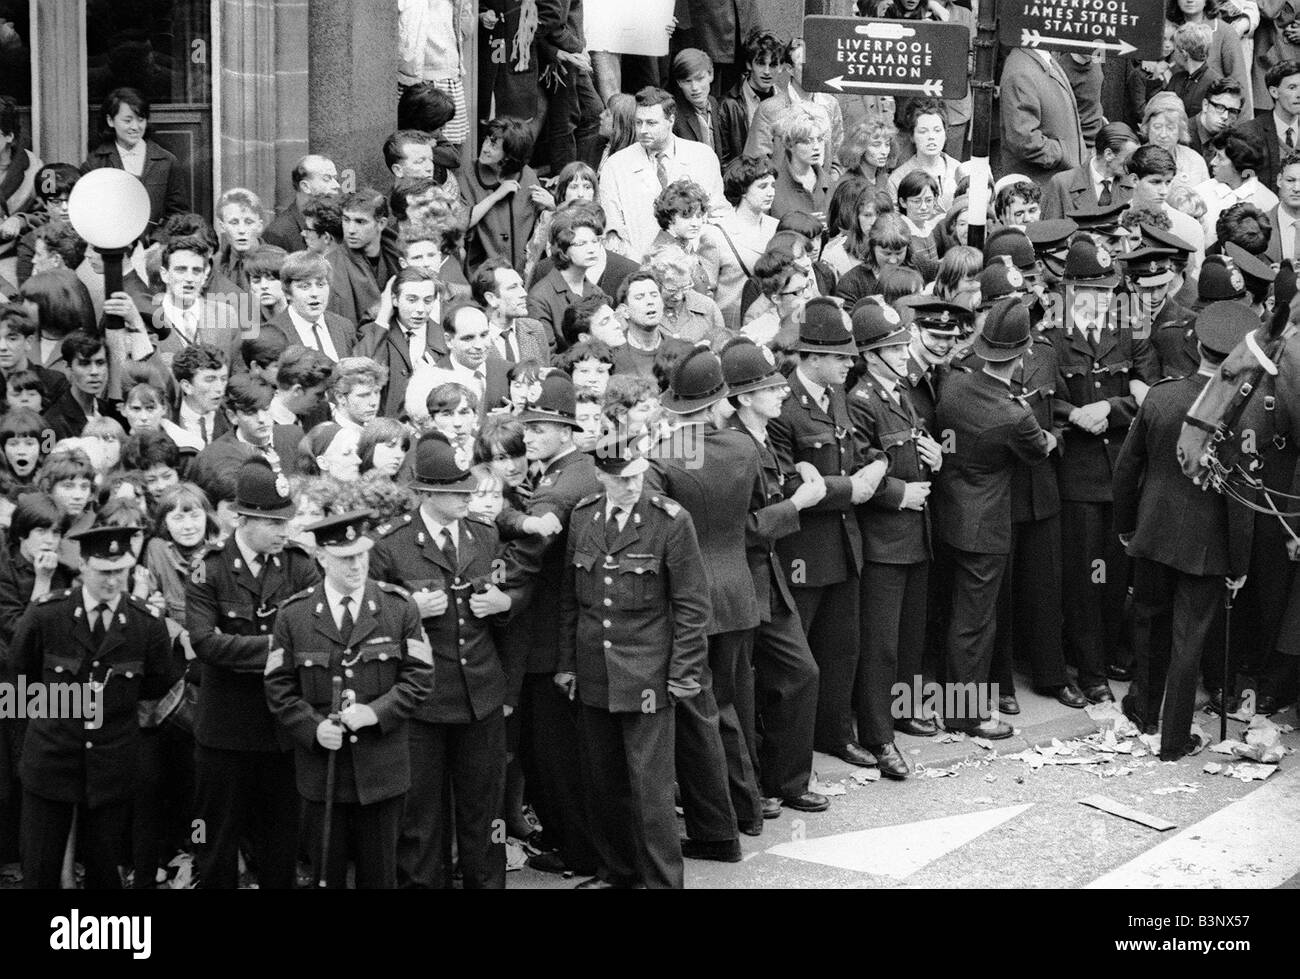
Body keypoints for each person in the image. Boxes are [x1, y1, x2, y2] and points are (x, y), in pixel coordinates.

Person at [556, 433, 711, 889]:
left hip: (648, 675)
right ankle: (616, 872)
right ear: (601, 475)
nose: (631, 485)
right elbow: (571, 600)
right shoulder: (583, 517)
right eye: (621, 478)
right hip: (593, 671)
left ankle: (663, 881)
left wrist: (683, 674)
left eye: (637, 476)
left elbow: (691, 605)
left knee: (651, 790)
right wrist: (567, 664)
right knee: (603, 782)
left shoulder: (670, 520)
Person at [370, 437, 514, 889]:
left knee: (485, 812)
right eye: (456, 491)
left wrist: (502, 602)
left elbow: (505, 605)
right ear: (427, 493)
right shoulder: (391, 547)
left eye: (468, 488)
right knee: (422, 819)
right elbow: (367, 624)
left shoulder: (484, 534)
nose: (466, 497)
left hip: (480, 697)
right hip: (424, 701)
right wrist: (409, 610)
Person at [264, 508, 434, 889]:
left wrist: (375, 713)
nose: (356, 565)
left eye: (362, 554)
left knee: (380, 877)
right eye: (344, 558)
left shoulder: (398, 606)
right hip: (322, 772)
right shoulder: (294, 615)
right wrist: (313, 727)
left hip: (382, 770)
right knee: (326, 874)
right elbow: (278, 687)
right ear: (321, 558)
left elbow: (420, 679)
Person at [1114, 301, 1254, 759]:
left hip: (1153, 531)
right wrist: (1239, 561)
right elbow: (1242, 500)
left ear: (1195, 345)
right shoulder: (1240, 414)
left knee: (1150, 623)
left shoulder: (1161, 395)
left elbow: (1126, 467)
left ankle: (1144, 712)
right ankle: (1174, 738)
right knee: (1188, 640)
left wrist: (1125, 525)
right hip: (1206, 545)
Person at [7, 523, 172, 888]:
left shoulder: (147, 624)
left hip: (111, 764)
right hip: (51, 757)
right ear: (82, 567)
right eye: (103, 572)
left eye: (121, 571)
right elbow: (19, 677)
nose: (113, 581)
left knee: (104, 870)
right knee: (40, 869)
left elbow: (158, 682)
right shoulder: (48, 615)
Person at [646, 349, 762, 850]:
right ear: (720, 400)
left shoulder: (664, 457)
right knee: (729, 708)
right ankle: (747, 810)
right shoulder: (743, 446)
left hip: (691, 602)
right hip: (738, 591)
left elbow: (656, 536)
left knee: (697, 718)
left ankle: (717, 832)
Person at [185, 458, 319, 888]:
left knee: (280, 843)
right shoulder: (209, 568)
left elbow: (316, 633)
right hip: (226, 732)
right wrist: (281, 648)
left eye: (287, 521)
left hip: (282, 731)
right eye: (273, 522)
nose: (284, 531)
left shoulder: (298, 564)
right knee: (215, 842)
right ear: (244, 518)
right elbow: (206, 643)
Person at [766, 298, 886, 767]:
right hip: (802, 554)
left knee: (842, 652)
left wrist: (874, 469)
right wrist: (848, 488)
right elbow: (786, 484)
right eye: (840, 356)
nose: (849, 363)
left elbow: (859, 448)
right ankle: (789, 754)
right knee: (797, 666)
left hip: (843, 547)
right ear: (811, 356)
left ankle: (834, 734)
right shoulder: (781, 406)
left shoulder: (837, 394)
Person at [932, 297, 1053, 738]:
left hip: (949, 512)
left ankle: (951, 700)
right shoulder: (1015, 414)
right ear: (1021, 355)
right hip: (985, 526)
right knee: (975, 623)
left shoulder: (954, 384)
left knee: (958, 616)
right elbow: (1038, 452)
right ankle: (965, 714)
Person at [497, 373, 601, 876]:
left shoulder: (563, 483)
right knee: (551, 752)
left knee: (553, 755)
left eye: (543, 426)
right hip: (556, 632)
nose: (531, 435)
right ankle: (569, 838)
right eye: (529, 425)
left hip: (546, 639)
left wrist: (495, 594)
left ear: (567, 431)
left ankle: (577, 846)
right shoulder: (570, 471)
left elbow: (528, 555)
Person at [1049, 236, 1158, 699]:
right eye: (1088, 288)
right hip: (1076, 472)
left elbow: (1152, 393)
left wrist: (1109, 409)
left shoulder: (1128, 330)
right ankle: (1090, 671)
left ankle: (1110, 651)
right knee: (1082, 576)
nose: (1099, 297)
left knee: (1115, 575)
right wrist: (1072, 414)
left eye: (1106, 288)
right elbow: (1038, 397)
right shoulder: (1051, 336)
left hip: (1119, 471)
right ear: (1069, 289)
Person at [598, 87, 727, 261]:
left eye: (651, 123)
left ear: (671, 120)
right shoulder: (615, 165)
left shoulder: (703, 157)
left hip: (697, 267)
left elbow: (718, 214)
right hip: (640, 270)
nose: (643, 130)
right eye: (638, 122)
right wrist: (639, 267)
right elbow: (612, 229)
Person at [527, 204, 637, 350]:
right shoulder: (540, 298)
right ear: (563, 250)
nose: (592, 249)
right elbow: (543, 357)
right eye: (581, 243)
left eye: (594, 241)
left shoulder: (595, 292)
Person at [81, 88, 186, 237]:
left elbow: (178, 213)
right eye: (127, 120)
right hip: (112, 250)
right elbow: (88, 215)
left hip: (155, 251)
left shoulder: (167, 161)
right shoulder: (95, 164)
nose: (135, 127)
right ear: (110, 121)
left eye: (141, 119)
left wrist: (157, 243)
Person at [460, 117, 547, 274]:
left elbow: (541, 223)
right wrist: (496, 196)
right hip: (483, 273)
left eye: (493, 145)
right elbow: (461, 221)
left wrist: (552, 205)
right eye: (486, 140)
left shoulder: (527, 176)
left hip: (522, 272)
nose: (485, 148)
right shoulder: (468, 173)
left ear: (509, 155)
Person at [405, 300, 510, 427]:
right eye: (468, 338)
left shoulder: (509, 372)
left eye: (484, 335)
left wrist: (516, 415)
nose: (479, 345)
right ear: (448, 340)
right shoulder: (430, 381)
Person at [998, 44, 1088, 187]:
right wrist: (1065, 153)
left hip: (1058, 182)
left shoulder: (1041, 58)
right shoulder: (1021, 70)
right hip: (1043, 189)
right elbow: (1024, 140)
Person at [261, 251, 357, 363]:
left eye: (321, 285)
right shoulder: (271, 334)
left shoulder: (344, 326)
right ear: (287, 292)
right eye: (305, 286)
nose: (314, 293)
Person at [1041, 123, 1139, 220]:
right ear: (1108, 154)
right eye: (1128, 158)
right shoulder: (1062, 184)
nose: (1133, 164)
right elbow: (1049, 232)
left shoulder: (1133, 185)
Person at [609, 270, 695, 379]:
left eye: (654, 295)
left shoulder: (680, 351)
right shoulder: (612, 355)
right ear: (625, 311)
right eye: (640, 297)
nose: (650, 301)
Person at [42, 331, 126, 442]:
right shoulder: (52, 422)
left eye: (100, 363)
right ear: (68, 368)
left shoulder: (108, 411)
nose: (94, 372)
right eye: (84, 363)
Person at [1196, 130, 1278, 243]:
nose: (1213, 162)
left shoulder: (1268, 200)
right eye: (1214, 155)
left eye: (1220, 157)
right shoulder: (1200, 193)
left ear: (1238, 163)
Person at [671, 48, 743, 169]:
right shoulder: (674, 114)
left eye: (700, 79)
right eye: (687, 81)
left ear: (711, 75)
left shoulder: (714, 104)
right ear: (679, 83)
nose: (694, 87)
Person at [472, 260, 551, 366]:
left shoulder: (535, 329)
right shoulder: (472, 339)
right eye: (513, 287)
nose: (524, 293)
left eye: (521, 286)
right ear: (491, 299)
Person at [769, 104, 837, 224]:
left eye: (819, 139)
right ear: (790, 144)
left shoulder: (827, 182)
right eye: (807, 141)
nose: (816, 147)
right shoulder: (772, 183)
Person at [263, 155, 341, 252]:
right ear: (305, 187)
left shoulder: (342, 222)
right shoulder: (278, 233)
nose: (337, 185)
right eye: (327, 178)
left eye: (336, 179)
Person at [1188, 78, 1245, 163]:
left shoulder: (1234, 138)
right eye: (1220, 107)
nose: (1225, 116)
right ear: (1205, 105)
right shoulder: (1182, 135)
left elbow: (1247, 171)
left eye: (1232, 111)